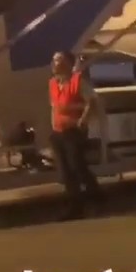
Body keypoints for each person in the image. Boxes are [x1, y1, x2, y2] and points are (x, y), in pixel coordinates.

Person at [48, 51, 104, 219]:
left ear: (68, 64)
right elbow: (54, 107)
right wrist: (53, 127)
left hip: (74, 132)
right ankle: (75, 206)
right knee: (65, 172)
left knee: (77, 167)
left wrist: (83, 119)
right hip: (58, 132)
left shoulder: (77, 81)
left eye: (59, 60)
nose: (55, 63)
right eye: (54, 60)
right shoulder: (52, 83)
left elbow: (92, 100)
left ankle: (96, 196)